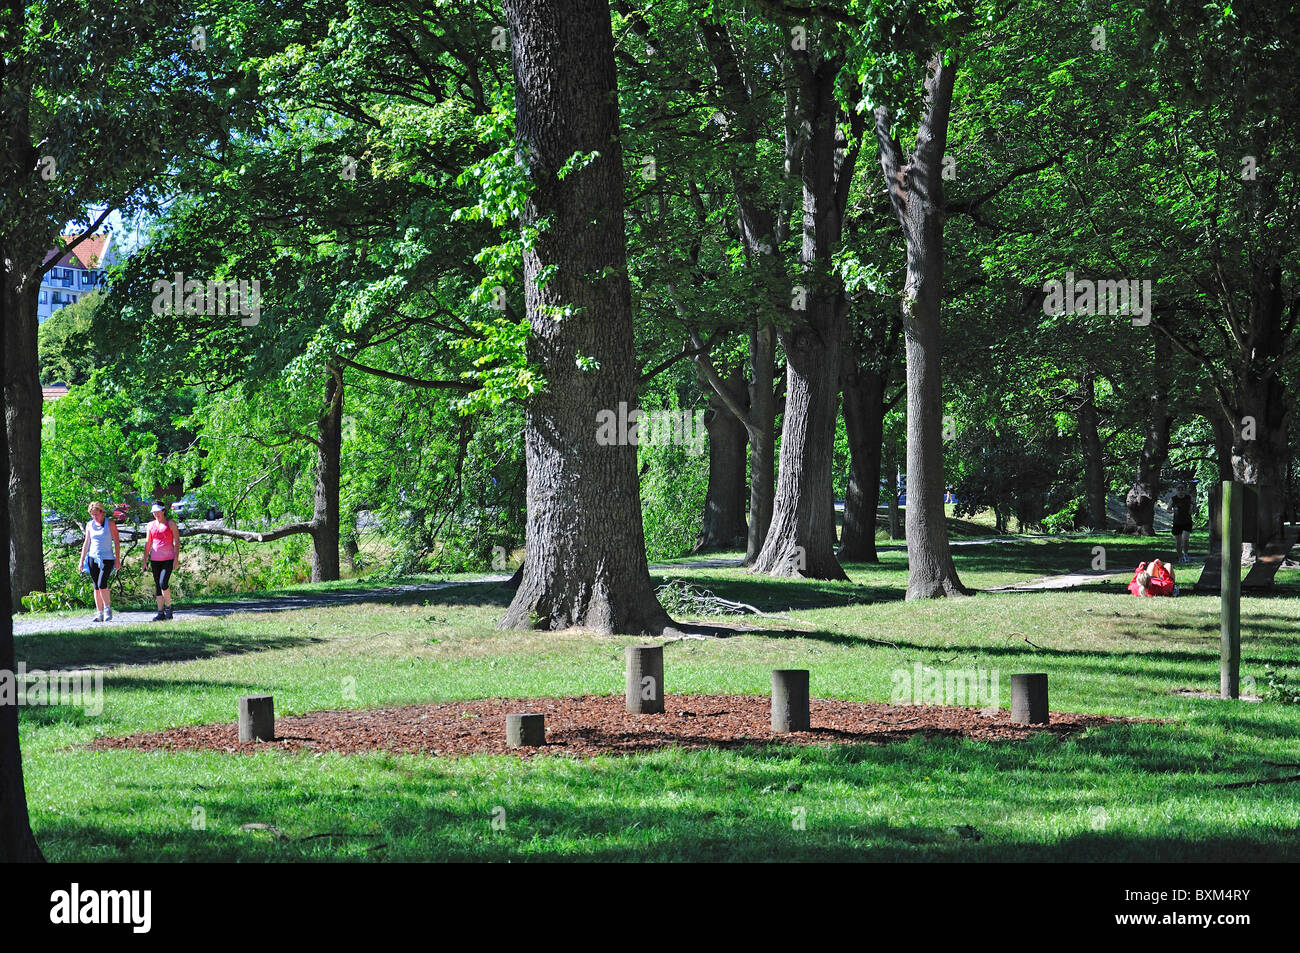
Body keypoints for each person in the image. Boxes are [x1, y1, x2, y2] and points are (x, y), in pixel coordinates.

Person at [78, 501, 121, 622]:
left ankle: (107, 608)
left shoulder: (110, 523)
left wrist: (117, 559)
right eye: (92, 514)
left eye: (96, 514)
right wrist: (81, 561)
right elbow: (86, 543)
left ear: (102, 512)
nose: (94, 517)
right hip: (92, 557)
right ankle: (99, 613)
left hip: (107, 558)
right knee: (96, 586)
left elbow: (117, 542)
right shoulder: (89, 525)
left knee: (102, 583)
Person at [144, 502, 181, 621]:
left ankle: (169, 608)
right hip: (155, 559)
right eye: (154, 512)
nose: (156, 514)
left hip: (168, 558)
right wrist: (144, 560)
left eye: (158, 511)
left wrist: (176, 559)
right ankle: (160, 612)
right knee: (157, 586)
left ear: (163, 511)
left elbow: (177, 542)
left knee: (163, 583)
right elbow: (148, 543)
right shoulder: (150, 525)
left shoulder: (170, 523)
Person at [1170, 483, 1195, 563]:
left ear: (1184, 490)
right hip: (1177, 522)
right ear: (1176, 490)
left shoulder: (1188, 498)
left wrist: (1192, 508)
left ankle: (1186, 555)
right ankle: (1180, 557)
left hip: (1187, 521)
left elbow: (1194, 504)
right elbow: (1168, 509)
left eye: (1182, 489)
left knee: (1186, 539)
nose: (1180, 491)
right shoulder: (1174, 499)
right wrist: (1174, 510)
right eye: (1179, 489)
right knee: (1178, 541)